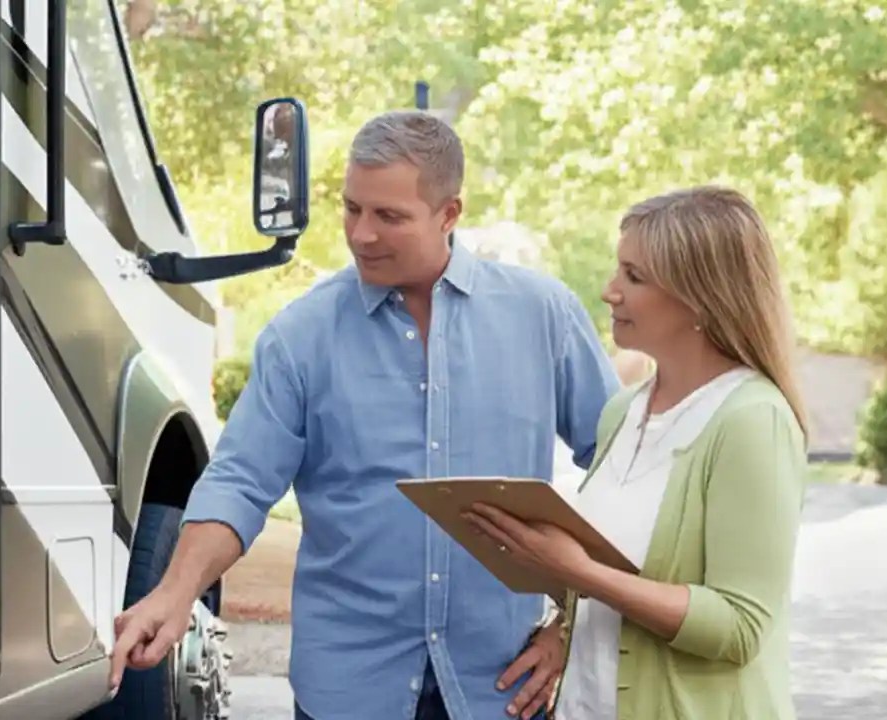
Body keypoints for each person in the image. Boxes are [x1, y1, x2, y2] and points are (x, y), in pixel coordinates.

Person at [109, 109, 620, 720]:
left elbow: (623, 470)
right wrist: (175, 592)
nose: (361, 234)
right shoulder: (301, 335)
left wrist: (575, 623)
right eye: (352, 208)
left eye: (389, 216)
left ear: (449, 213)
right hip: (348, 690)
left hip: (500, 689)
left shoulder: (543, 315)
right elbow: (240, 482)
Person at [466, 186, 808, 719]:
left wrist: (580, 574)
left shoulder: (751, 421)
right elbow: (619, 569)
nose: (609, 292)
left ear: (701, 298)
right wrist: (563, 631)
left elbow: (740, 625)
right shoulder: (621, 413)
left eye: (634, 276)